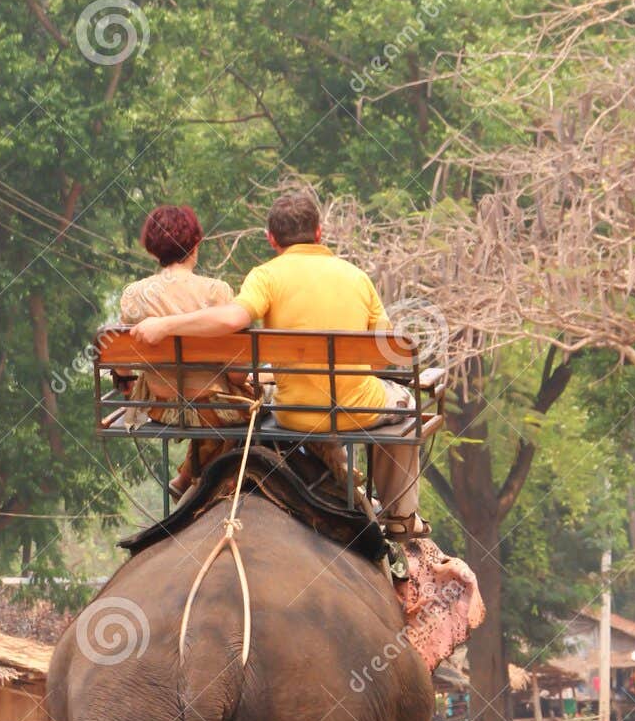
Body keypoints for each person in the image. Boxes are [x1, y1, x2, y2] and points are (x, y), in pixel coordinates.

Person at [130, 190, 425, 536]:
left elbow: (231, 319)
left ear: (272, 239)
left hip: (293, 413)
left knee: (267, 388)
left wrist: (164, 326)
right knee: (408, 407)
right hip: (355, 411)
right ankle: (401, 519)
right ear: (319, 233)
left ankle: (192, 479)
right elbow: (381, 357)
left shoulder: (265, 276)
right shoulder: (356, 276)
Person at [119, 205, 247, 496]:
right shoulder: (217, 292)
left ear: (153, 251)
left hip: (161, 407)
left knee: (206, 399)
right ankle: (196, 479)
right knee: (250, 405)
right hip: (214, 410)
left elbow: (122, 365)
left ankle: (186, 478)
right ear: (196, 244)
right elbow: (238, 375)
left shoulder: (133, 295)